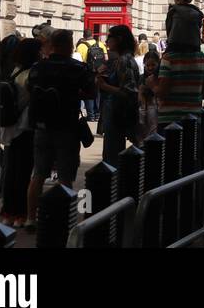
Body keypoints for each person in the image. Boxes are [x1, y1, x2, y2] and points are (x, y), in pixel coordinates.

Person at [25, 29, 96, 232]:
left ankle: (31, 218)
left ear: (52, 45)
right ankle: (65, 218)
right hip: (67, 127)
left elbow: (30, 89)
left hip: (42, 126)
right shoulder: (78, 68)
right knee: (66, 175)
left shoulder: (38, 68)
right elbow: (91, 93)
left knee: (38, 174)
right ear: (67, 45)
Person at [0, 37, 41, 227]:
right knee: (23, 173)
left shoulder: (15, 71)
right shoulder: (33, 74)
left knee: (10, 171)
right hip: (26, 127)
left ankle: (8, 212)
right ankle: (21, 214)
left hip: (11, 128)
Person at [155, 0, 204, 127]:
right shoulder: (202, 59)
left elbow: (162, 92)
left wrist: (150, 85)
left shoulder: (169, 59)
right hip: (193, 118)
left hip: (169, 119)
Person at [96, 25, 141, 165]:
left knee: (112, 157)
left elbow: (128, 92)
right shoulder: (123, 59)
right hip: (115, 112)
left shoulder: (124, 61)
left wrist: (104, 86)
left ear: (119, 39)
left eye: (110, 37)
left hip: (117, 113)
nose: (107, 41)